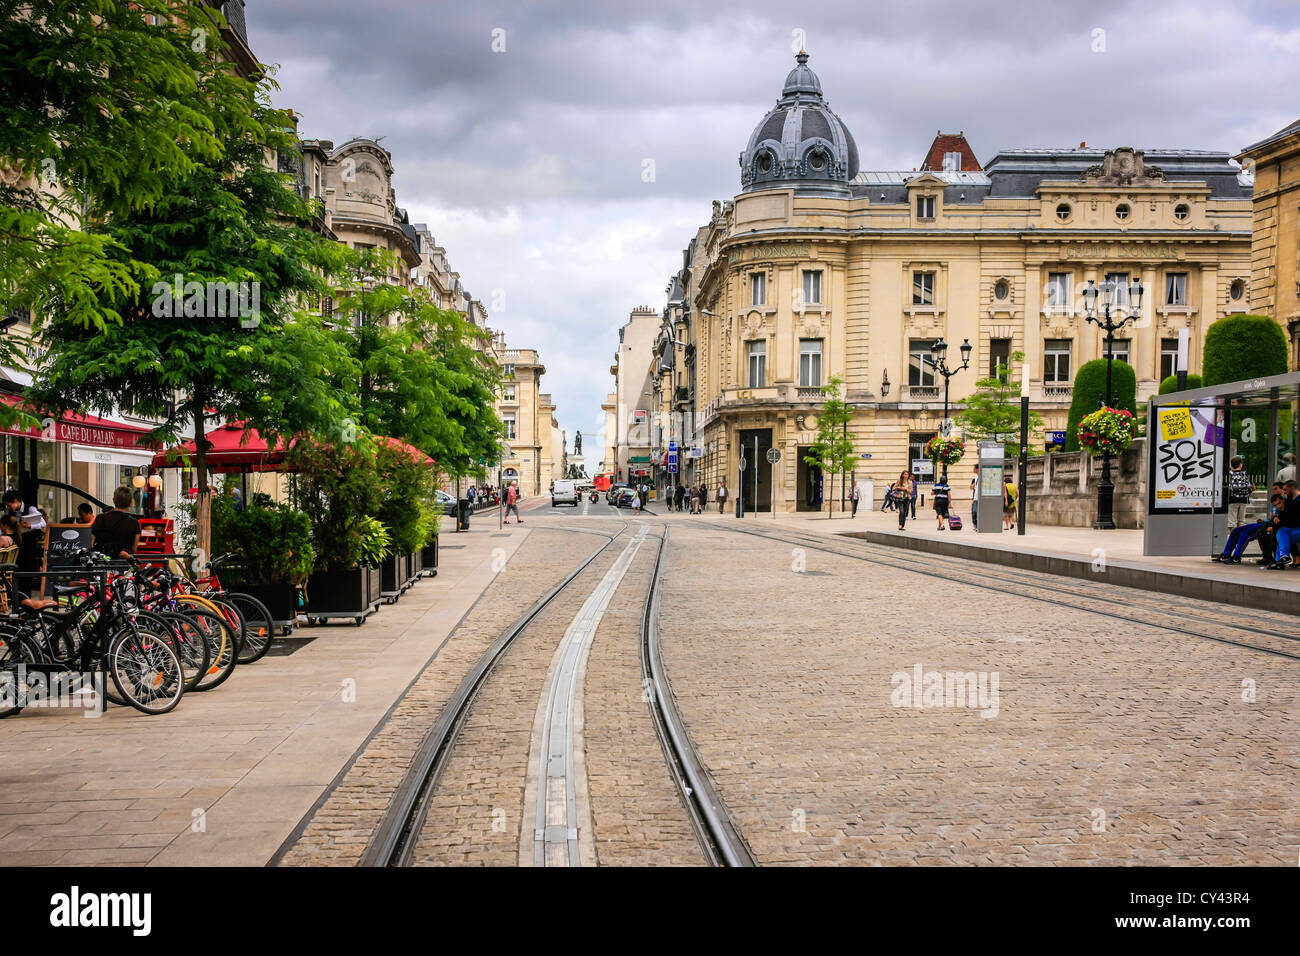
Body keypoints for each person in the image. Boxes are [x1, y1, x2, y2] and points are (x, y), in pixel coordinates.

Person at [1216, 493, 1282, 563]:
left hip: (1269, 525)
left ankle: (1236, 557)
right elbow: (1271, 519)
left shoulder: (1284, 504)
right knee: (1236, 530)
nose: (1274, 491)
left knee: (1246, 532)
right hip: (1265, 523)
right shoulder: (1276, 505)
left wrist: (1273, 525)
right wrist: (1264, 520)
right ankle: (1226, 554)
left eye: (1276, 489)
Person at [3, 489, 47, 590]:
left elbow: (43, 523)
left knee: (27, 570)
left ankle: (26, 597)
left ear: (15, 501)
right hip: (17, 543)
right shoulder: (11, 512)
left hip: (28, 543)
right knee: (16, 569)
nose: (8, 508)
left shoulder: (30, 509)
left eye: (9, 505)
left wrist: (30, 526)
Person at [91, 486, 141, 559]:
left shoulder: (100, 518)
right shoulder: (134, 523)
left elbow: (91, 543)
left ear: (114, 500)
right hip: (123, 564)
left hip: (102, 562)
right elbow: (134, 549)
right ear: (130, 503)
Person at [1267, 480, 1300, 569]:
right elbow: (1284, 522)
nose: (1278, 506)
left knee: (1281, 536)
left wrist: (1278, 520)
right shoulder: (1284, 507)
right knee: (1281, 535)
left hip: (1297, 529)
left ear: (1282, 500)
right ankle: (1282, 558)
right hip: (1293, 530)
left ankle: (1280, 561)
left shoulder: (1294, 504)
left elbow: (1293, 520)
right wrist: (1275, 519)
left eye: (1285, 490)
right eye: (1276, 505)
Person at [1227, 456, 1254, 528]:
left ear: (1231, 465)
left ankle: (1233, 538)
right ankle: (1239, 538)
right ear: (1240, 464)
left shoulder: (1229, 474)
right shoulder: (1245, 474)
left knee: (1231, 522)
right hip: (1244, 499)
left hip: (1232, 499)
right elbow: (1253, 487)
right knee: (1241, 521)